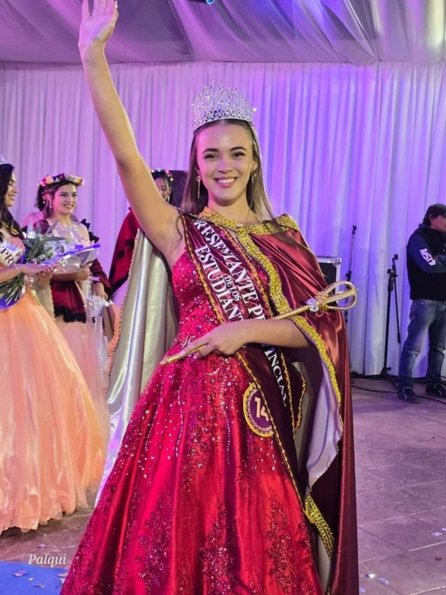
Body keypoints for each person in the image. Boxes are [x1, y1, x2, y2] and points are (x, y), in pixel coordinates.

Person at [62, 2, 358, 593]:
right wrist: (93, 56)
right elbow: (126, 159)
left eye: (237, 154)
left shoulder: (285, 236)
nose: (225, 166)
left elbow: (315, 327)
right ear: (197, 166)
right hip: (184, 411)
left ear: (254, 162)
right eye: (211, 155)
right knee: (170, 538)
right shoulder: (179, 231)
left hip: (257, 421)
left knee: (254, 538)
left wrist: (241, 331)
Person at [0, 159, 105, 534]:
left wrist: (38, 274)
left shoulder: (11, 225)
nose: (15, 188)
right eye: (10, 182)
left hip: (26, 312)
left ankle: (39, 489)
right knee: (12, 405)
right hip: (7, 323)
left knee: (45, 399)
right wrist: (21, 271)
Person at [34, 172, 112, 442]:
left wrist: (96, 280)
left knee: (83, 368)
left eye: (74, 195)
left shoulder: (80, 229)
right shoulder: (41, 229)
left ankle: (80, 434)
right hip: (55, 301)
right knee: (59, 367)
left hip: (81, 301)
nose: (70, 200)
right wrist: (71, 275)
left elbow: (91, 264)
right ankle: (55, 430)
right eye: (64, 195)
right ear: (49, 197)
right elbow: (36, 271)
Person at [398, 203, 446, 403]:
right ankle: (405, 386)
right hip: (425, 300)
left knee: (439, 347)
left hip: (444, 300)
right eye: (445, 218)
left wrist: (440, 259)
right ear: (432, 217)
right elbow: (429, 265)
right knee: (413, 346)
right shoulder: (418, 238)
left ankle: (434, 383)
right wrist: (440, 260)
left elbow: (437, 262)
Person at [108, 169, 174, 305]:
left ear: (169, 191)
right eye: (155, 188)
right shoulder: (134, 216)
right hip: (139, 275)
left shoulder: (175, 217)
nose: (160, 193)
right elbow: (126, 251)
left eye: (164, 188)